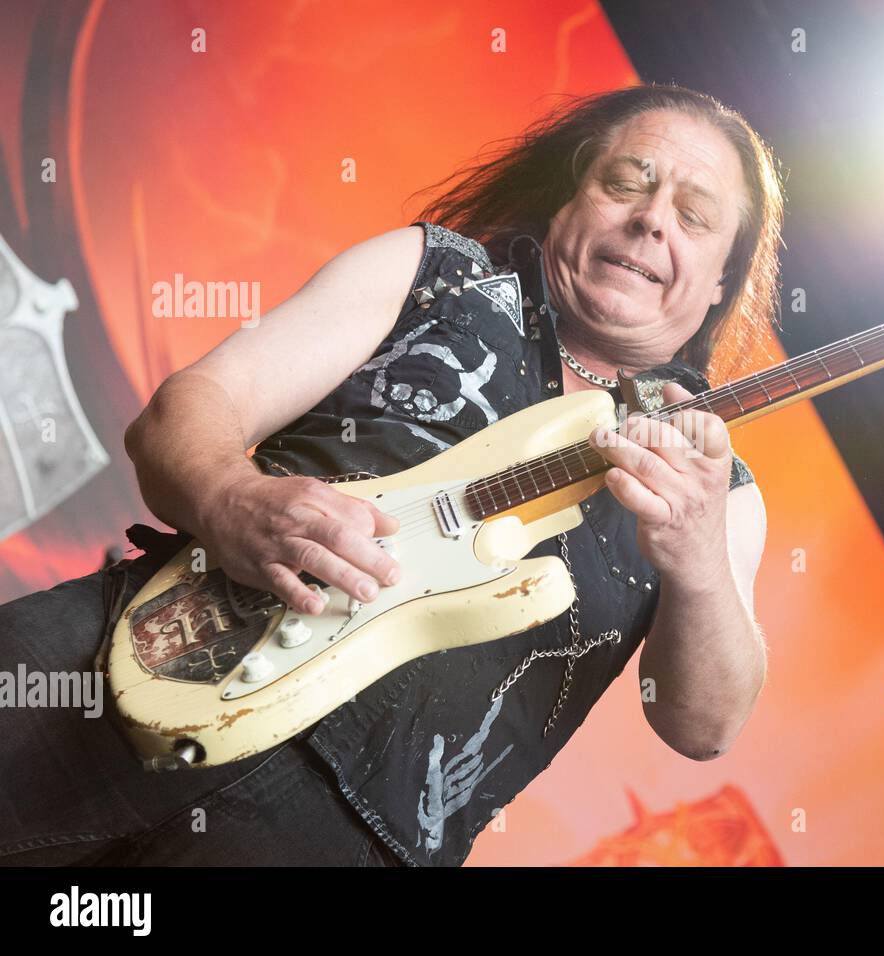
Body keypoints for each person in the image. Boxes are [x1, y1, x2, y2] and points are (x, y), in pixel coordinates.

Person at [0, 84, 786, 866]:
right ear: (573, 192)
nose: (651, 218)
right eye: (629, 181)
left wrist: (698, 558)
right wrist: (229, 495)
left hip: (350, 841)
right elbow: (191, 408)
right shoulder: (433, 271)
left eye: (695, 215)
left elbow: (703, 725)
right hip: (139, 652)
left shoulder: (718, 485)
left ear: (721, 280)